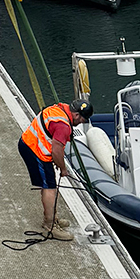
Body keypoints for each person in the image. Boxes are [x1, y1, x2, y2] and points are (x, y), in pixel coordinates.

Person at [18, 99, 93, 240]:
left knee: (49, 184)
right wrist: (63, 169)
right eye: (83, 119)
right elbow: (56, 150)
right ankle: (49, 225)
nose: (82, 123)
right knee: (50, 187)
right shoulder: (63, 126)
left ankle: (53, 216)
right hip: (35, 150)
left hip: (30, 142)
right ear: (76, 115)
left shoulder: (60, 109)